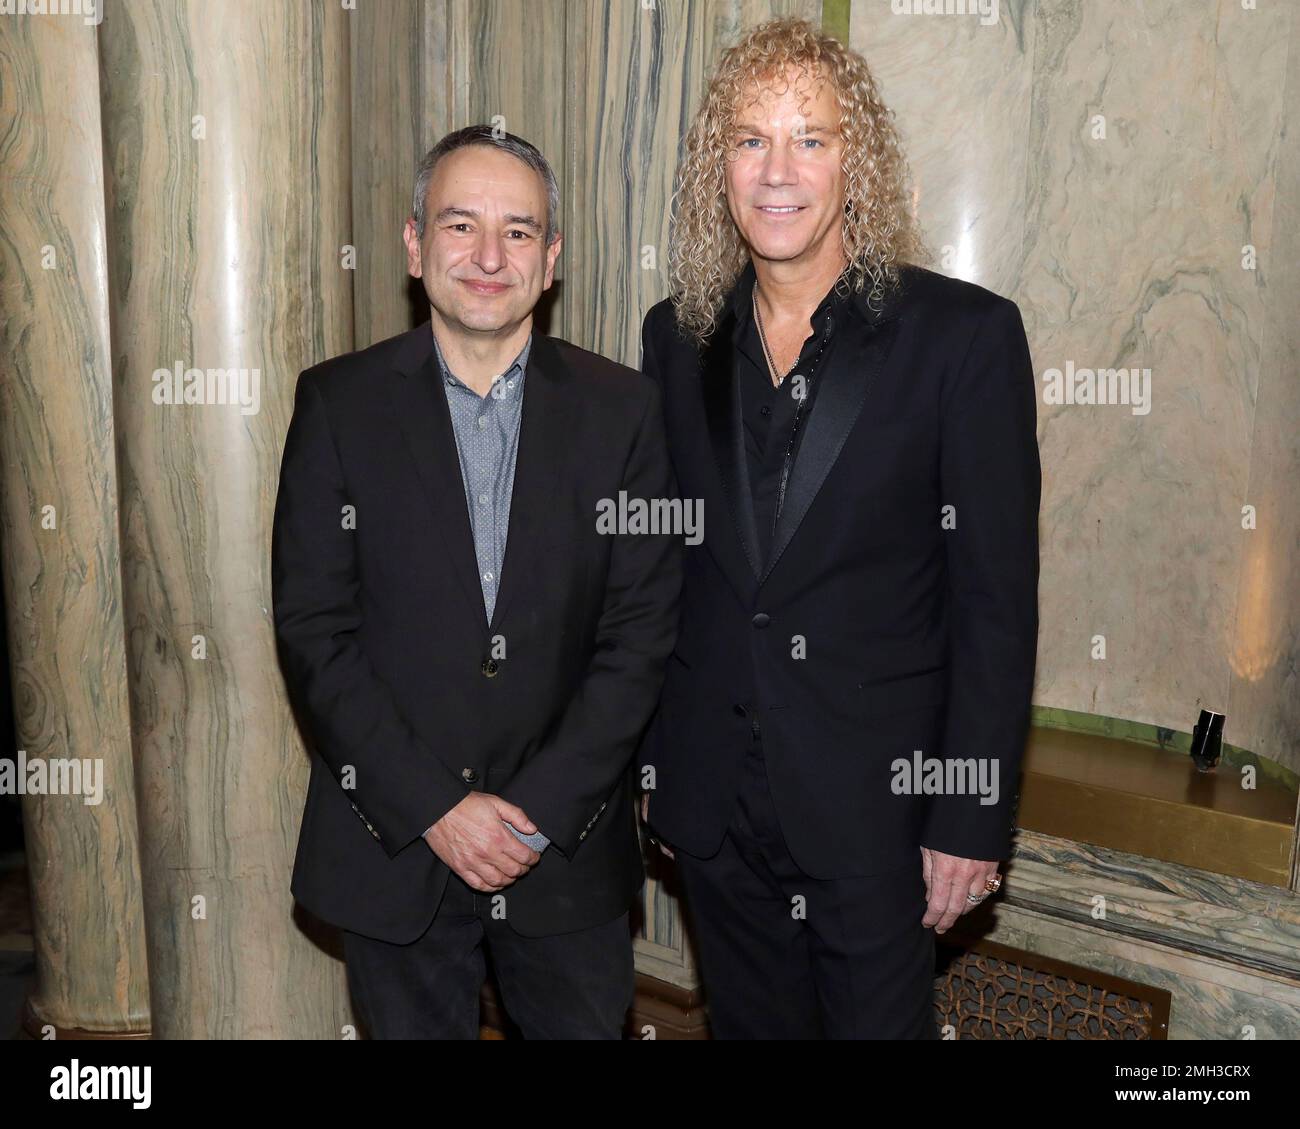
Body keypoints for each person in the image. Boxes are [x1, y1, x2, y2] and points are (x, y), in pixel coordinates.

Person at [638, 18, 1040, 1039]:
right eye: (750, 138)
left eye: (810, 137)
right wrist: (661, 769)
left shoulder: (962, 339)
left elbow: (995, 607)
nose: (778, 170)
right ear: (715, 164)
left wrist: (967, 817)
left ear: (853, 157)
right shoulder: (673, 337)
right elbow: (659, 573)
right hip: (716, 807)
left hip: (880, 817)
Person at [273, 126, 681, 1039]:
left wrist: (535, 811)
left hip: (566, 855)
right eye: (461, 226)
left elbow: (643, 632)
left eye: (520, 231)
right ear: (415, 245)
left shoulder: (624, 413)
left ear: (552, 259)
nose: (490, 256)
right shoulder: (338, 405)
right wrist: (438, 808)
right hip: (394, 844)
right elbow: (314, 632)